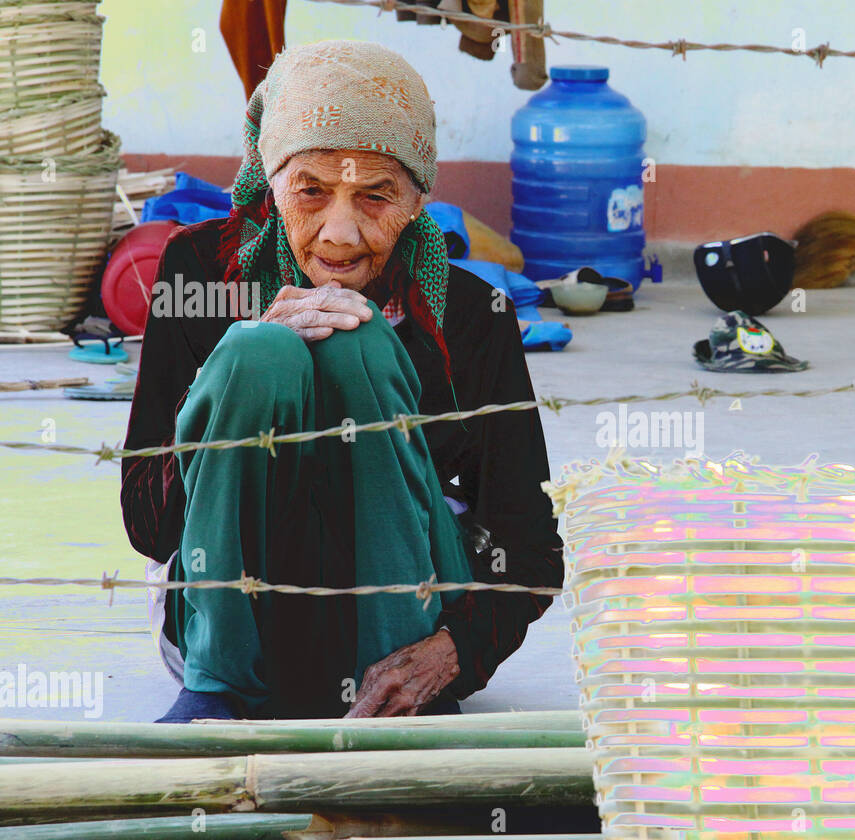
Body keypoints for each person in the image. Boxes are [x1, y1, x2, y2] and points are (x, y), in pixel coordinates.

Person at [120, 40, 563, 722]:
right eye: (312, 192)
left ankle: (388, 690)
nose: (340, 234)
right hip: (228, 617)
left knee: (359, 348)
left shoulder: (474, 314)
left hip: (401, 621)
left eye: (376, 196)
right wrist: (234, 373)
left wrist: (454, 649)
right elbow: (150, 527)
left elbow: (527, 544)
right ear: (271, 184)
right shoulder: (200, 272)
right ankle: (218, 690)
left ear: (419, 198)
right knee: (261, 354)